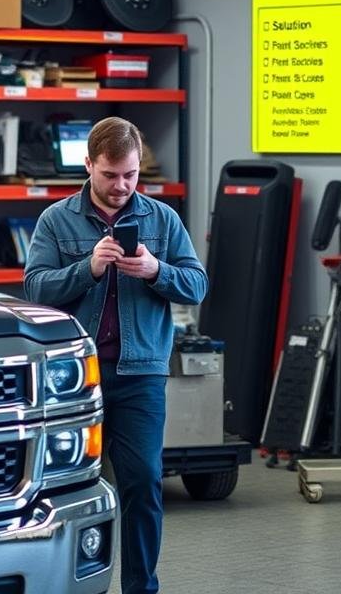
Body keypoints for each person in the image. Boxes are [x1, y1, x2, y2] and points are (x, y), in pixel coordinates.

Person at [24, 116, 208, 594]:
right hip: (74, 376)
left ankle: (140, 588)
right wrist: (87, 269)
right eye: (110, 175)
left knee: (143, 482)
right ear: (88, 165)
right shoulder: (56, 220)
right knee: (59, 490)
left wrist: (155, 269)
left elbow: (197, 285)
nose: (122, 185)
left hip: (139, 373)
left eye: (130, 174)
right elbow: (33, 288)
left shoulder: (162, 220)